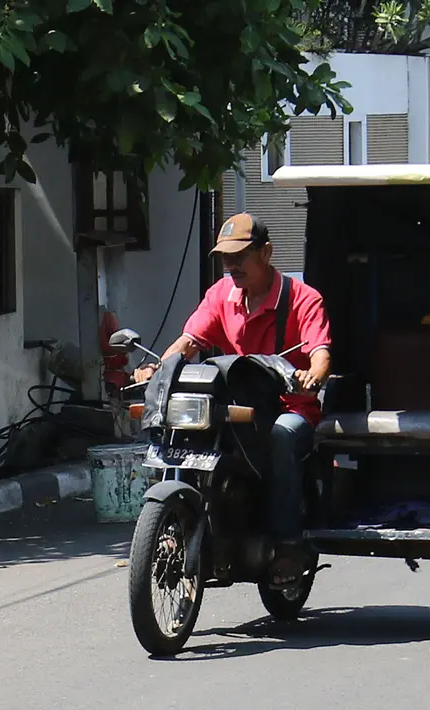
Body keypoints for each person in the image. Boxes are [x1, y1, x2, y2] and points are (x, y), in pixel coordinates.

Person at [133, 212, 332, 588]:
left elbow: (320, 352)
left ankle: (288, 545)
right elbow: (188, 342)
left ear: (266, 253)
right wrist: (158, 370)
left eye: (240, 256)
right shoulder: (220, 296)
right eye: (226, 257)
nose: (231, 265)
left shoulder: (303, 298)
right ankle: (179, 524)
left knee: (281, 436)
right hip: (233, 407)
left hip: (289, 406)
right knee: (182, 430)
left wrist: (313, 376)